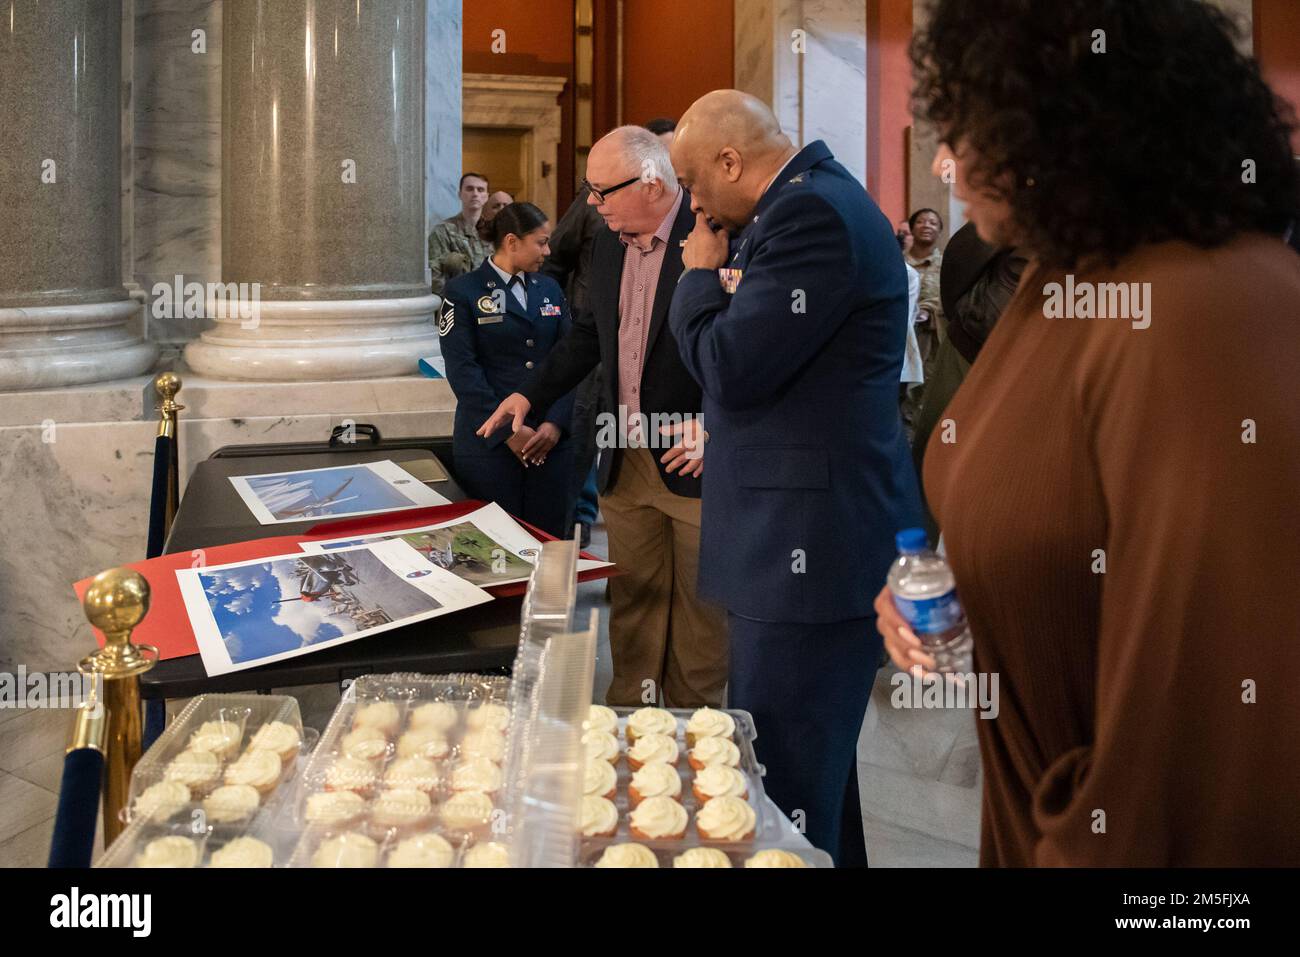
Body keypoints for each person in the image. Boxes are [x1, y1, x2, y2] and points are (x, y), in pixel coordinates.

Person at [877, 0, 1300, 867]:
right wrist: (952, 587)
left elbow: (1219, 748)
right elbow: (1062, 507)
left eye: (963, 123)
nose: (943, 161)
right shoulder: (1060, 278)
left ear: (1059, 122)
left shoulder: (1206, 304)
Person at [668, 90, 923, 866]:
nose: (692, 203)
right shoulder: (800, 207)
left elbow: (732, 365)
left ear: (730, 161)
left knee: (782, 779)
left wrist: (701, 279)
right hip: (800, 540)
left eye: (691, 181)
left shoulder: (808, 216)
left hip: (807, 550)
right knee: (810, 778)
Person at [478, 126, 728, 709]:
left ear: (650, 181)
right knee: (635, 606)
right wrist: (530, 395)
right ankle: (629, 726)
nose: (591, 204)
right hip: (625, 459)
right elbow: (590, 333)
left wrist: (719, 423)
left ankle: (695, 741)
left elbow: (747, 347)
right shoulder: (611, 242)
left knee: (702, 623)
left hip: (694, 460)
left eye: (601, 191)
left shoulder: (716, 236)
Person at [438, 202, 576, 538]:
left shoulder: (549, 288)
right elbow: (463, 372)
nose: (548, 250)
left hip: (549, 443)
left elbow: (570, 360)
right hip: (489, 444)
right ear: (512, 242)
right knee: (497, 543)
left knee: (550, 540)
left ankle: (548, 595)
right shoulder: (463, 292)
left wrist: (554, 424)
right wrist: (509, 433)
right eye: (540, 242)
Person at [910, 221, 1026, 537]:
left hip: (1012, 351)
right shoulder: (1021, 207)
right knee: (937, 454)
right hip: (974, 341)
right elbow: (965, 254)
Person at [428, 172, 494, 296]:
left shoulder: (494, 232)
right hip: (458, 304)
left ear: (486, 196)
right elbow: (433, 275)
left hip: (492, 301)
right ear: (460, 194)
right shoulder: (443, 231)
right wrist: (458, 298)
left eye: (480, 190)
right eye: (469, 189)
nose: (475, 194)